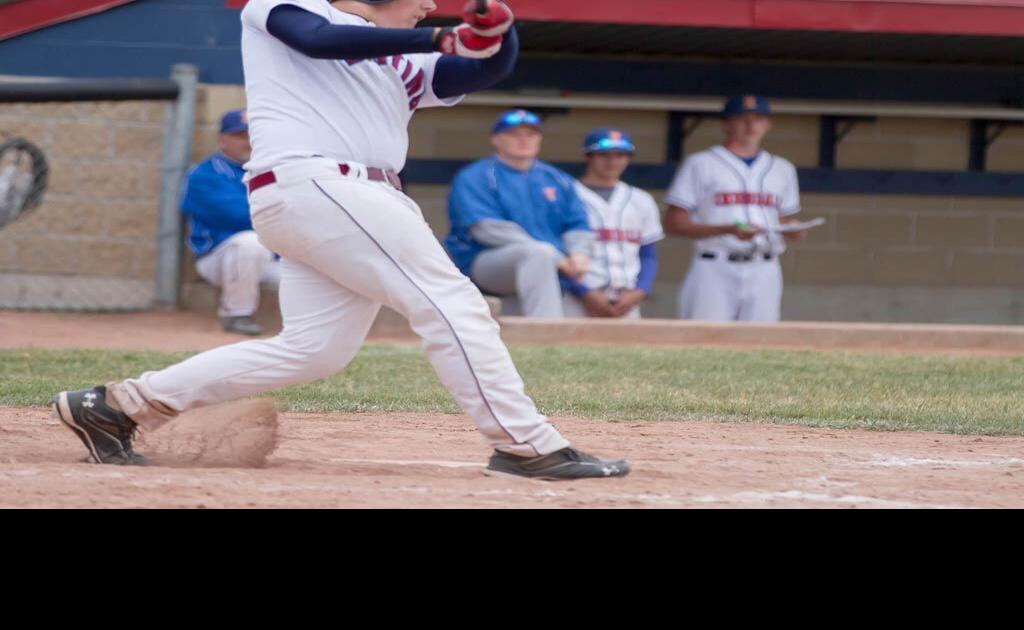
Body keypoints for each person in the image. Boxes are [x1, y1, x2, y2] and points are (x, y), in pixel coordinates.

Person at [49, 0, 630, 481]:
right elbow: (321, 38)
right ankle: (526, 444)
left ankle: (117, 407)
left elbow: (479, 71)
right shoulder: (287, 6)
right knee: (452, 302)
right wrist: (442, 36)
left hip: (338, 198)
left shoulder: (400, 53)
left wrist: (498, 36)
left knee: (314, 349)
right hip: (319, 181)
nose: (430, 5)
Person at [664, 95, 809, 322]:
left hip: (765, 267)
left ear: (768, 124)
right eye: (742, 118)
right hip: (714, 264)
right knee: (703, 340)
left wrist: (794, 230)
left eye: (759, 119)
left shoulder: (782, 168)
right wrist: (728, 229)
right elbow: (673, 223)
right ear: (726, 123)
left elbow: (785, 219)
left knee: (761, 342)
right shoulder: (701, 163)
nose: (751, 125)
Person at [444, 109, 592, 318]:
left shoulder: (557, 178)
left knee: (546, 258)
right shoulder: (477, 175)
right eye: (514, 134)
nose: (523, 140)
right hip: (485, 262)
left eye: (531, 134)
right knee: (538, 254)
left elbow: (577, 223)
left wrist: (579, 254)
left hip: (550, 264)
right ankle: (546, 332)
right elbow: (486, 229)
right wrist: (556, 257)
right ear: (496, 139)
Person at [182, 109, 281, 336]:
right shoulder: (205, 174)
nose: (247, 141)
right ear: (222, 140)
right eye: (239, 135)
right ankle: (236, 313)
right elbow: (241, 215)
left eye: (251, 135)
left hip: (271, 258)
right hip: (219, 257)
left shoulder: (271, 171)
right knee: (250, 243)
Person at [564, 128, 663, 319]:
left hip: (627, 300)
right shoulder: (567, 196)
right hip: (577, 298)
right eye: (604, 155)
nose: (613, 161)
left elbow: (648, 255)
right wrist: (584, 292)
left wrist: (641, 291)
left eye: (620, 155)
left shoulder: (641, 199)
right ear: (588, 156)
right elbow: (558, 252)